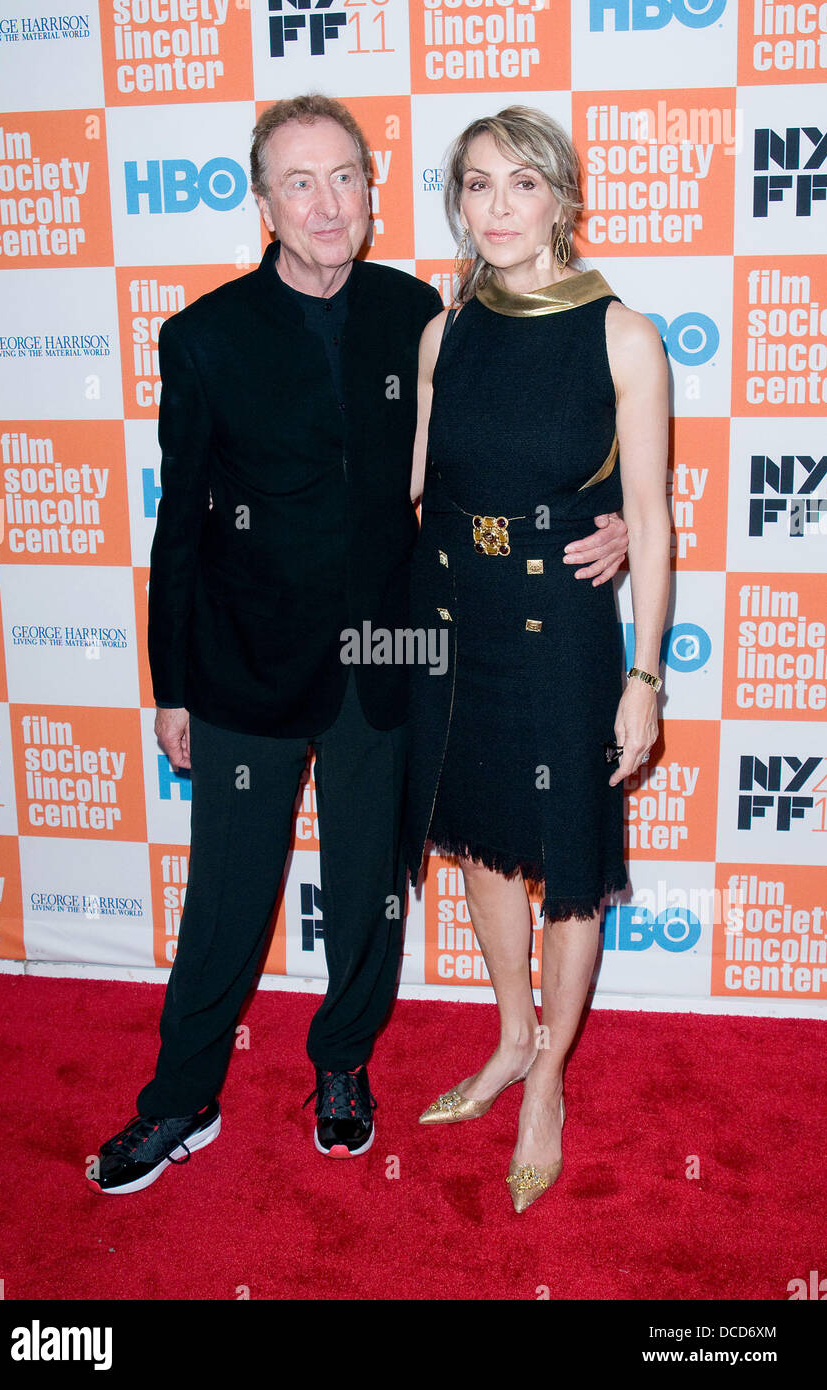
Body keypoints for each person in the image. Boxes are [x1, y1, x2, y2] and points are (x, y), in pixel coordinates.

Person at [90, 96, 629, 1196]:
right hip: (244, 664)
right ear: (264, 203)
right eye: (300, 182)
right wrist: (171, 685)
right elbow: (178, 525)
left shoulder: (421, 315)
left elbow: (509, 450)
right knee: (226, 896)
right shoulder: (203, 336)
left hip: (390, 657)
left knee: (367, 890)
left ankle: (342, 1063)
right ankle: (181, 1097)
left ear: (372, 194)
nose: (327, 203)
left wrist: (603, 512)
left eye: (344, 176)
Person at [405, 106, 670, 1213]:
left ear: (560, 197)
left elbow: (650, 519)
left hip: (561, 631)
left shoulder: (621, 335)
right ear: (457, 203)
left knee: (566, 857)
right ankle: (512, 1036)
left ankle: (548, 1079)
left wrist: (644, 678)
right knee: (478, 841)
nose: (499, 206)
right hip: (460, 623)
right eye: (478, 184)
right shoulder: (444, 333)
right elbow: (418, 489)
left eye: (522, 183)